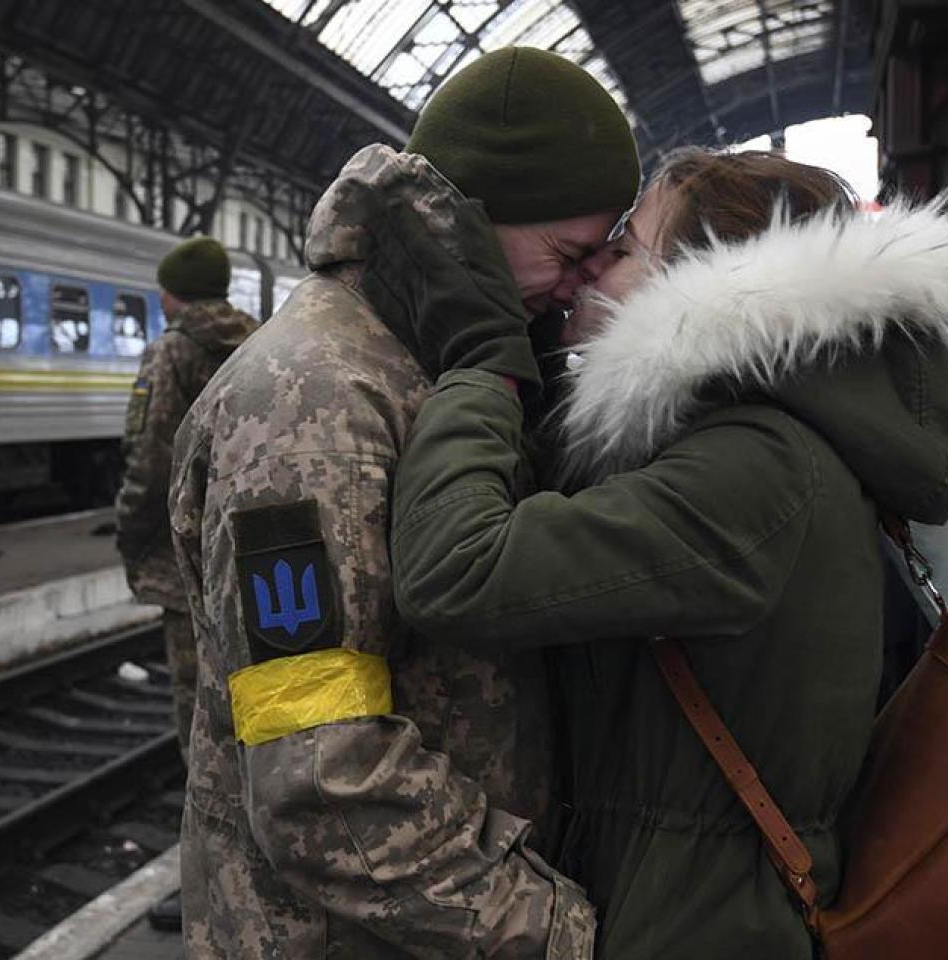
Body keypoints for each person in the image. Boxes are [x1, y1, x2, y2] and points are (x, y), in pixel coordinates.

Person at [383, 149, 948, 959]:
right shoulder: (758, 441)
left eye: (625, 247)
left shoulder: (754, 470)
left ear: (700, 285)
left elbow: (458, 569)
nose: (592, 269)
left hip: (698, 924)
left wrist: (483, 367)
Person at [167, 47, 639, 958]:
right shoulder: (313, 402)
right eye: (568, 255)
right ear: (467, 226)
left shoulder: (438, 364)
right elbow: (321, 778)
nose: (581, 282)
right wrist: (557, 931)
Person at [115, 234, 258, 758]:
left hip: (189, 546)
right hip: (253, 538)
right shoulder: (259, 341)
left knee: (197, 688)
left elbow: (150, 456)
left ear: (176, 294)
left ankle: (208, 792)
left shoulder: (170, 351)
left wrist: (130, 529)